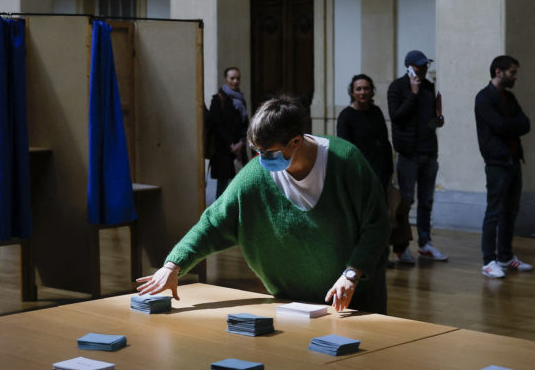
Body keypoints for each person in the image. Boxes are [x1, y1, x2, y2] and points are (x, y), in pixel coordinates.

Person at [137, 94, 390, 314]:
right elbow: (213, 223)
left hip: (354, 298)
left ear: (296, 141)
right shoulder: (256, 176)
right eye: (256, 150)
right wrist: (173, 265)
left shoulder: (345, 160)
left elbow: (377, 224)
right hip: (292, 305)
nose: (262, 159)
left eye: (269, 153)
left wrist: (352, 274)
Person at [474, 55, 533, 279]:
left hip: (514, 159)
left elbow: (525, 124)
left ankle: (506, 256)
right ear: (498, 71)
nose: (515, 77)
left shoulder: (509, 97)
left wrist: (509, 126)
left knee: (510, 211)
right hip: (497, 162)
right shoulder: (484, 97)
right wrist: (510, 125)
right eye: (512, 72)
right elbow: (498, 125)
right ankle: (489, 261)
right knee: (494, 211)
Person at [387, 50, 447, 263]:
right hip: (408, 154)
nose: (423, 70)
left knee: (426, 201)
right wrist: (412, 94)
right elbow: (396, 117)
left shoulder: (429, 87)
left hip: (429, 152)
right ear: (409, 67)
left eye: (425, 66)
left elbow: (428, 118)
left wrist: (437, 121)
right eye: (419, 66)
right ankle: (402, 247)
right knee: (405, 202)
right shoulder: (397, 87)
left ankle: (425, 244)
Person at [336, 74, 402, 263]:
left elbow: (384, 142)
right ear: (352, 92)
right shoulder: (346, 116)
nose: (363, 92)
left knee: (381, 217)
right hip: (360, 175)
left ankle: (381, 256)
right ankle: (361, 258)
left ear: (372, 91)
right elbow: (345, 149)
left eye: (366, 88)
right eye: (359, 89)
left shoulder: (376, 111)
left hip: (380, 172)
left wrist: (390, 171)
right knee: (363, 218)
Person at [206, 67, 249, 199]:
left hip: (239, 149)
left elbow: (244, 124)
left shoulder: (241, 99)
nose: (235, 81)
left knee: (241, 185)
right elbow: (216, 125)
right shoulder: (218, 99)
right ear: (226, 79)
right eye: (232, 78)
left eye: (238, 78)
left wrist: (241, 142)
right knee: (222, 188)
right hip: (223, 150)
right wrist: (231, 145)